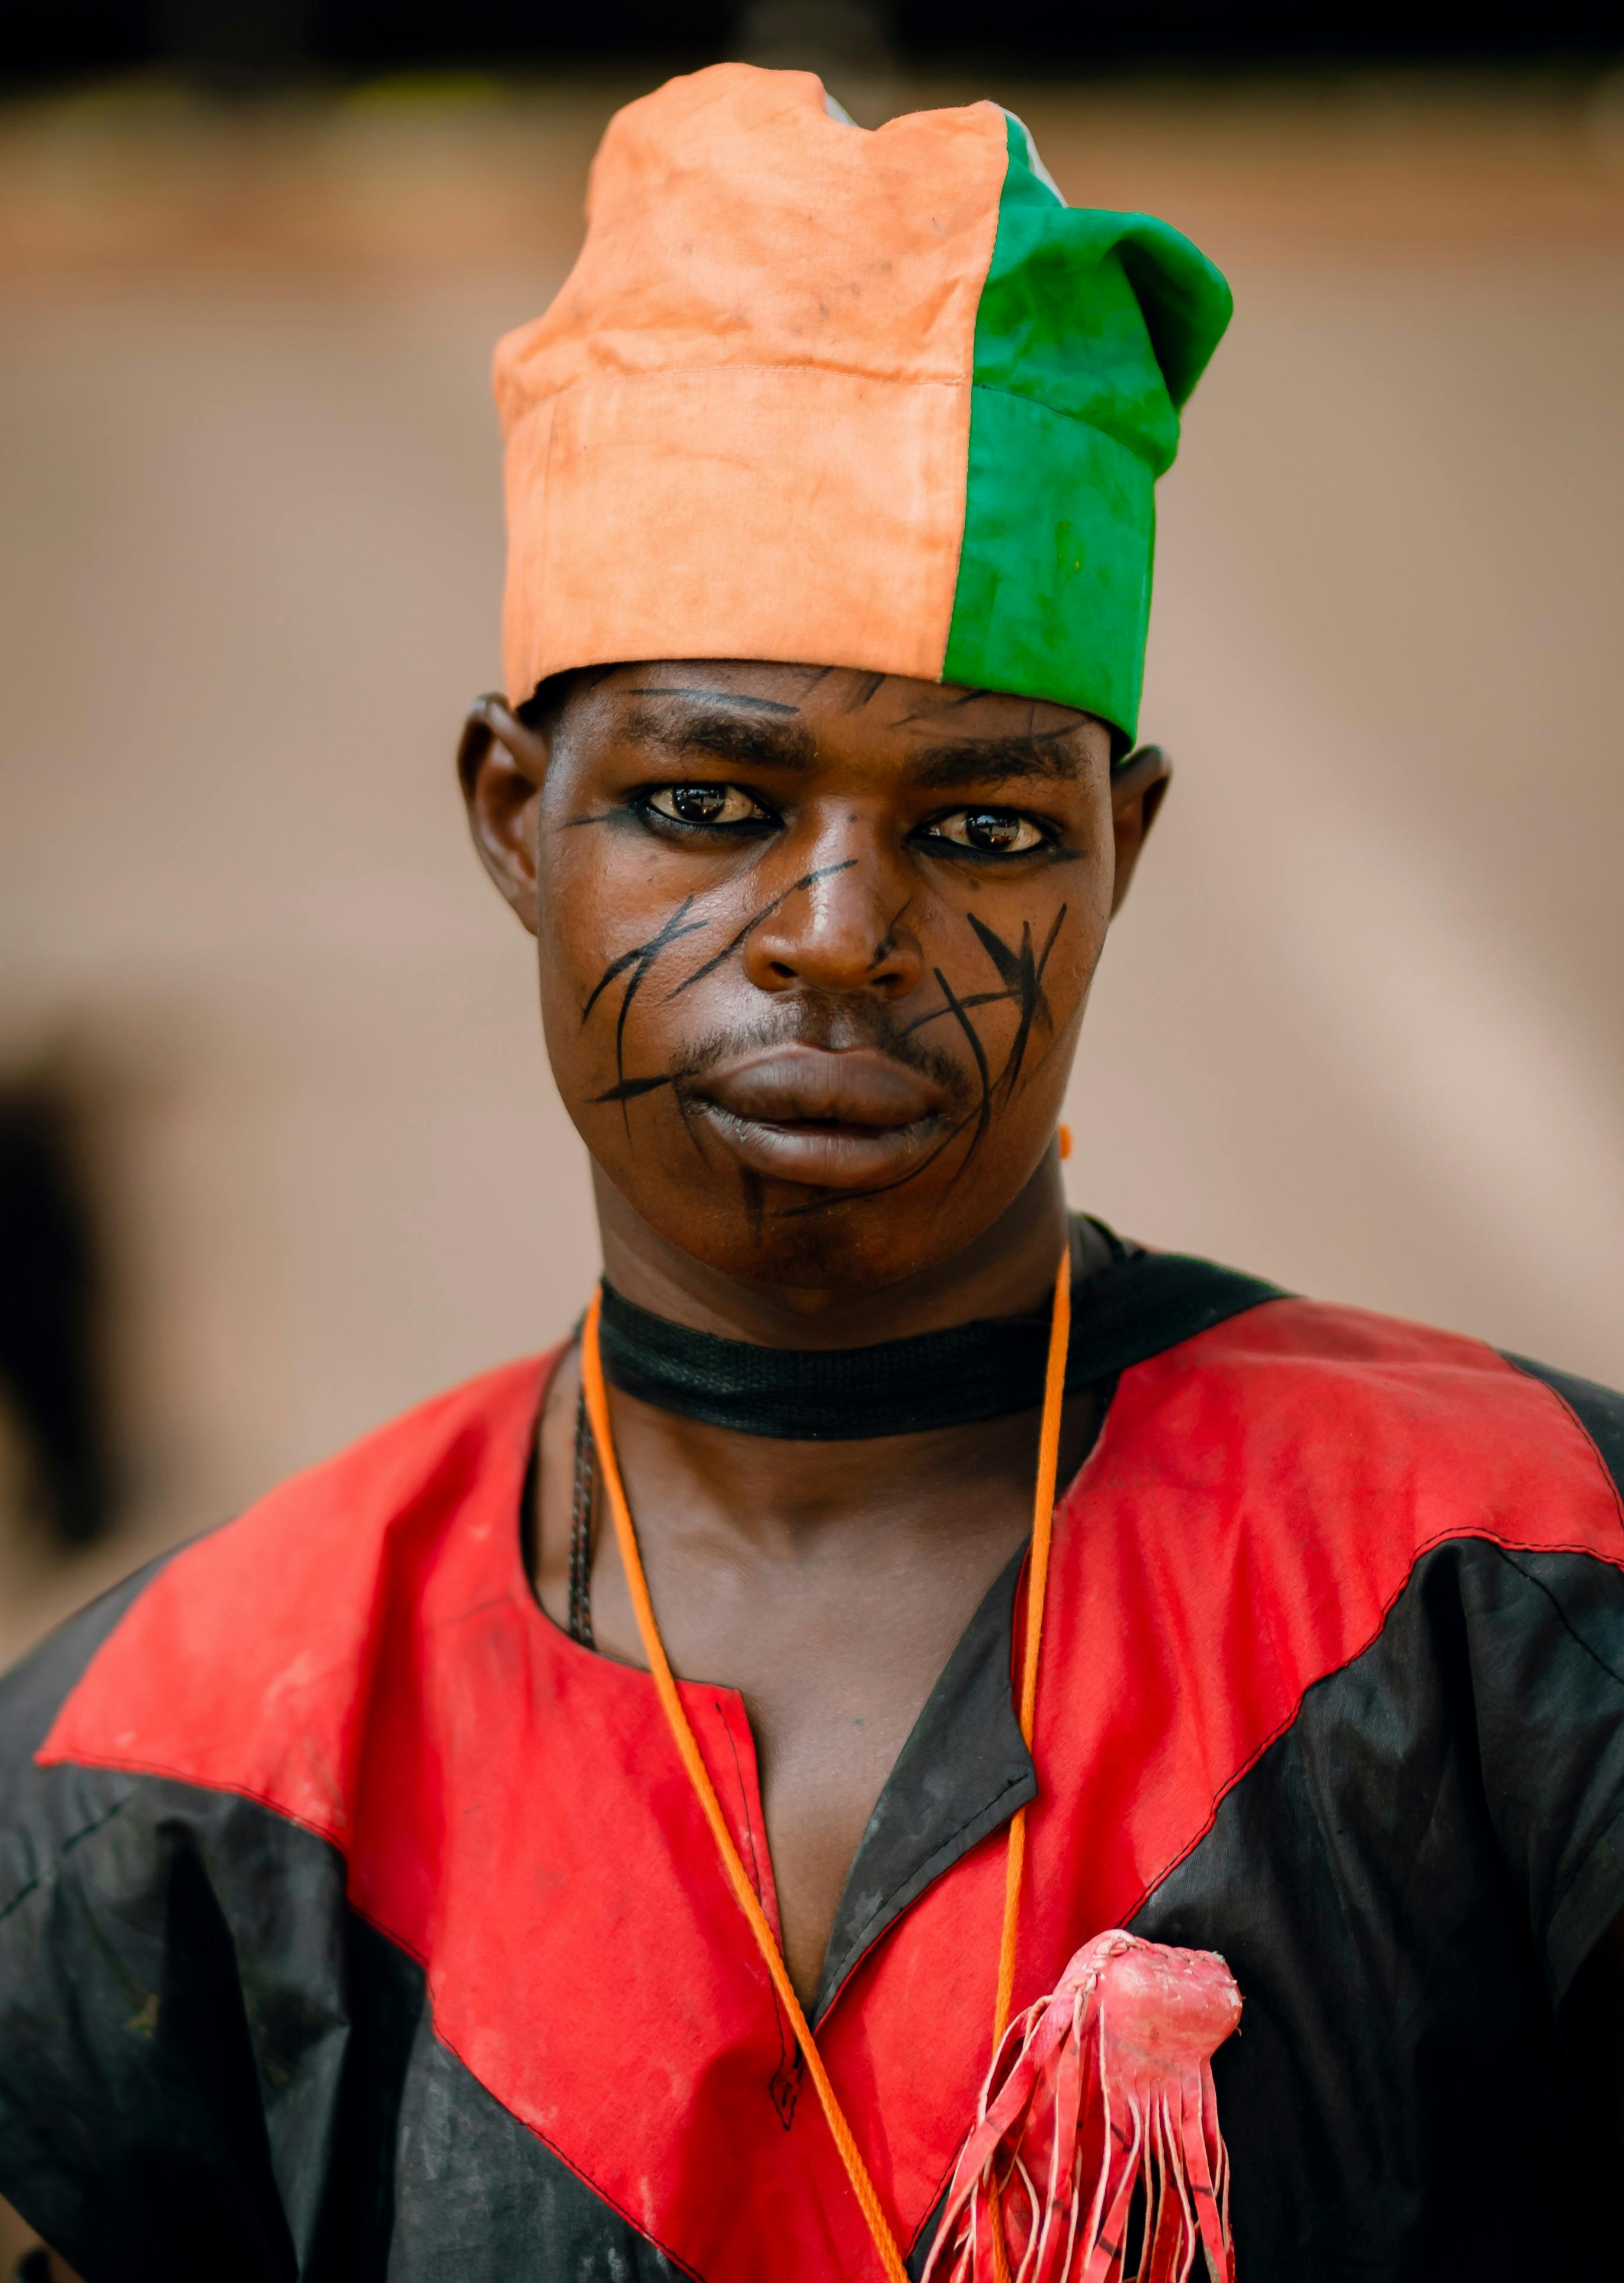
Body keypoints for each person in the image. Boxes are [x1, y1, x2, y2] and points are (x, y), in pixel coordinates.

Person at [3, 60, 1623, 2283]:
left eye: (982, 828)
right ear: (510, 819)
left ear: (1119, 853)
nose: (842, 933)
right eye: (708, 801)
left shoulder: (1522, 1594)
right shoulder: (169, 1762)